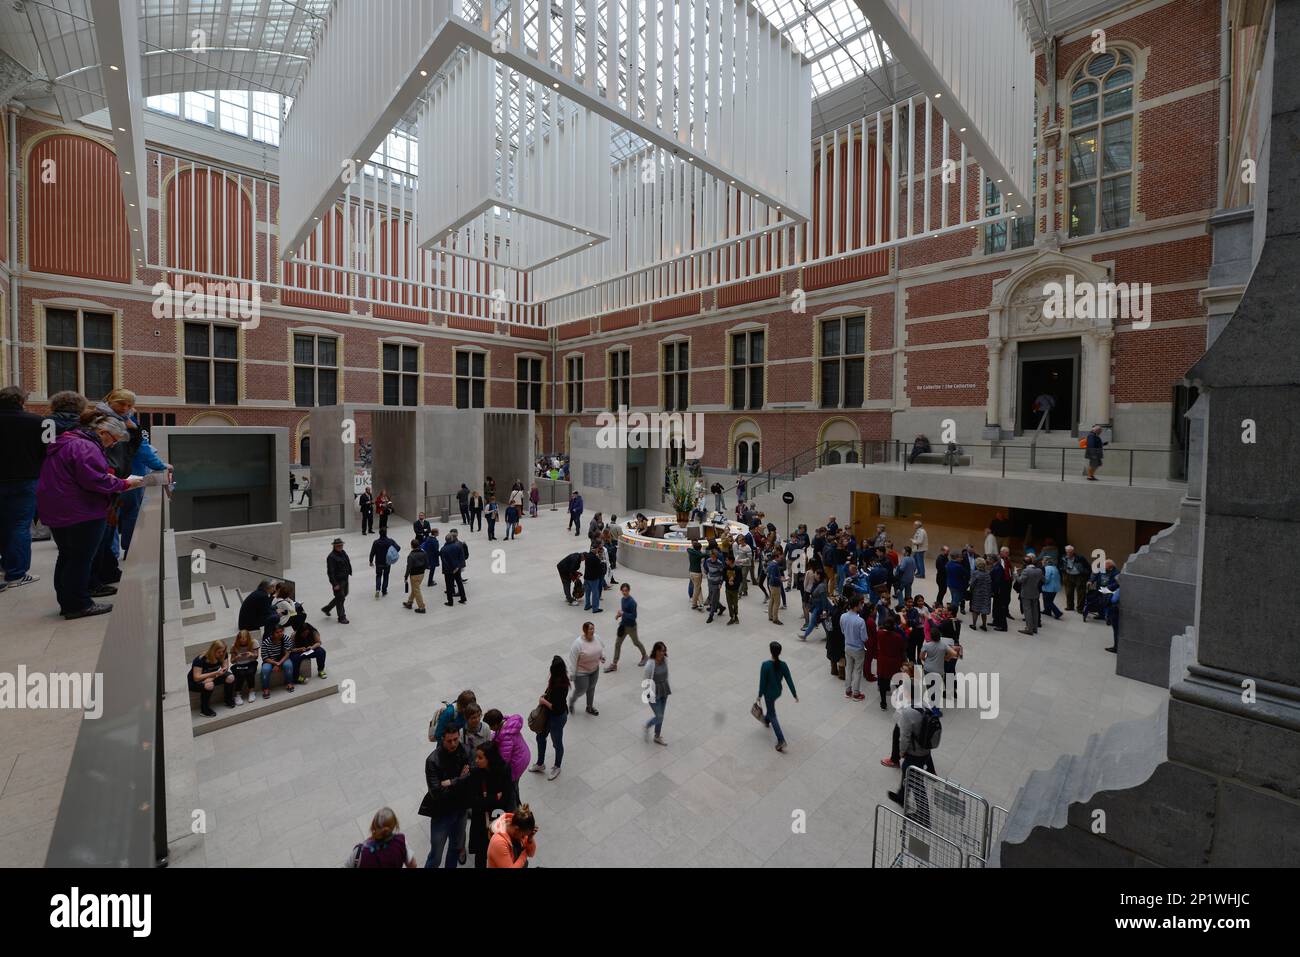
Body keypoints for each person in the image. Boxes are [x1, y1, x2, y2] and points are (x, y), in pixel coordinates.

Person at [36, 411, 141, 618]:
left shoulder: (67, 441)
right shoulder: (86, 446)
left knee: (68, 557)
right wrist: (125, 483)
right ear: (103, 432)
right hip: (80, 511)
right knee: (81, 559)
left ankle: (68, 601)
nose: (112, 446)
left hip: (60, 509)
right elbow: (94, 480)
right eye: (113, 440)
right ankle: (78, 604)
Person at [422, 725, 471, 868]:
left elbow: (471, 777)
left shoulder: (466, 751)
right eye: (449, 741)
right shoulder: (432, 760)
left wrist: (452, 782)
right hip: (441, 813)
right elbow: (436, 793)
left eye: (456, 739)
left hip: (460, 810)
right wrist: (461, 780)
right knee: (436, 855)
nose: (453, 744)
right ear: (442, 739)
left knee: (455, 848)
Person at [467, 741, 516, 868]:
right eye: (476, 757)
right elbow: (473, 801)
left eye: (480, 757)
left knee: (498, 851)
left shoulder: (504, 770)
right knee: (481, 853)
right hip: (481, 822)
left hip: (498, 819)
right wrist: (494, 798)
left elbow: (506, 799)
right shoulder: (476, 773)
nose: (476, 761)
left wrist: (485, 801)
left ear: (490, 758)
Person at [529, 656, 569, 780]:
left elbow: (557, 708)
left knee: (557, 743)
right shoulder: (555, 679)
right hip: (548, 715)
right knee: (540, 737)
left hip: (557, 718)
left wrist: (543, 701)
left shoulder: (561, 686)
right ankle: (540, 764)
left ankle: (557, 766)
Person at [758, 641, 798, 753]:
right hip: (777, 692)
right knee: (770, 710)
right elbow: (789, 679)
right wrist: (794, 694)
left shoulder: (765, 665)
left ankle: (781, 740)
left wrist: (759, 695)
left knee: (772, 714)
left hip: (768, 693)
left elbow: (762, 682)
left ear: (770, 651)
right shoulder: (783, 665)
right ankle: (766, 720)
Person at [348, 808, 418, 868]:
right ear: (395, 826)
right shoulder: (401, 842)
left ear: (373, 825)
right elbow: (413, 865)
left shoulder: (359, 852)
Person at [866, 613, 908, 711]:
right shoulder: (898, 637)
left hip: (883, 663)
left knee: (882, 684)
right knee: (898, 682)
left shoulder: (880, 633)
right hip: (895, 662)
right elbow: (902, 649)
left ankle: (883, 703)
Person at [188, 639, 236, 716]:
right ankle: (204, 710)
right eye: (219, 652)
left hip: (213, 676)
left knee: (230, 677)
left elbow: (225, 668)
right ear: (213, 650)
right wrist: (215, 673)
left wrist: (213, 677)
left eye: (223, 651)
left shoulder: (223, 654)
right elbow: (196, 677)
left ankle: (228, 700)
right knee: (209, 685)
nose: (221, 654)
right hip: (194, 682)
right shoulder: (200, 659)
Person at [607, 582, 647, 672]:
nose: (624, 592)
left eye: (626, 590)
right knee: (617, 644)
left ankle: (645, 656)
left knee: (636, 642)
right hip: (623, 625)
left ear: (629, 590)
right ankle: (614, 664)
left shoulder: (632, 602)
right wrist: (619, 615)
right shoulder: (622, 599)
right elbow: (624, 611)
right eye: (623, 590)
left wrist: (623, 613)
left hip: (631, 627)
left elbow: (633, 616)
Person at [568, 622, 605, 715]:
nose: (592, 630)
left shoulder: (597, 638)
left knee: (591, 688)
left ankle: (589, 707)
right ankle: (572, 701)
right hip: (582, 672)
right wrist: (572, 673)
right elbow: (573, 658)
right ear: (585, 630)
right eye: (590, 629)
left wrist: (602, 656)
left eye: (593, 628)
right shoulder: (578, 643)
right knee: (581, 689)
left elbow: (601, 648)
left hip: (594, 669)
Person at [642, 641, 671, 745]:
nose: (663, 653)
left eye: (664, 650)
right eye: (661, 651)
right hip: (653, 693)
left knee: (661, 715)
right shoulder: (650, 664)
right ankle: (647, 726)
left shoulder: (665, 660)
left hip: (664, 690)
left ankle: (657, 736)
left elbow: (666, 674)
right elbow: (645, 680)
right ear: (656, 651)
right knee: (659, 716)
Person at [259, 623, 295, 698]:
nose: (279, 634)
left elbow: (287, 653)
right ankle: (266, 688)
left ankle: (289, 683)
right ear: (272, 633)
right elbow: (265, 657)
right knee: (265, 669)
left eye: (281, 631)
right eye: (277, 632)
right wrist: (275, 663)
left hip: (282, 659)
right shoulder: (266, 642)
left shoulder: (285, 638)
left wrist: (279, 663)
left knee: (288, 665)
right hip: (270, 661)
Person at [321, 537, 352, 623]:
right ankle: (342, 617)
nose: (340, 547)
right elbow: (330, 572)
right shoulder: (331, 557)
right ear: (334, 546)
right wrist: (335, 584)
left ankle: (327, 608)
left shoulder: (343, 552)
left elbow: (347, 563)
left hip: (345, 579)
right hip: (338, 581)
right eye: (338, 545)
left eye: (341, 545)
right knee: (341, 598)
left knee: (344, 594)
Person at [289, 618, 326, 683]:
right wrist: (299, 649)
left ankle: (320, 670)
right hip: (299, 652)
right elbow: (290, 649)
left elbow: (318, 643)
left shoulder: (314, 632)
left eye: (306, 633)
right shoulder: (294, 635)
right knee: (294, 658)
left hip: (310, 650)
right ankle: (296, 677)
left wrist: (312, 647)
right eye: (303, 633)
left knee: (321, 652)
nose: (305, 635)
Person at [228, 629, 260, 704]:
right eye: (241, 638)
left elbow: (256, 657)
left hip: (251, 663)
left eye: (244, 638)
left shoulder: (254, 642)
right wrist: (237, 657)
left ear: (248, 638)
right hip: (239, 665)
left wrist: (251, 654)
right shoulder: (234, 646)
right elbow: (232, 661)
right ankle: (238, 694)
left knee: (250, 672)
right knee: (240, 674)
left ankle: (251, 692)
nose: (242, 640)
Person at [1016, 558, 1044, 636]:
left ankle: (1029, 629)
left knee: (1027, 611)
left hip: (1026, 594)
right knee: (1035, 611)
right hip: (1035, 593)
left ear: (1025, 564)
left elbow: (1020, 580)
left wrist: (1016, 574)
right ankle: (1035, 628)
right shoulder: (1039, 570)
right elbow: (1044, 580)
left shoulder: (1026, 571)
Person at [990, 548, 1015, 631]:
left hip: (1005, 585)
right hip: (1001, 585)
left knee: (1002, 605)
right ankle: (996, 621)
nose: (1007, 554)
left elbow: (1009, 570)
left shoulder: (1006, 561)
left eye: (1008, 552)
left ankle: (1002, 625)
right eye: (1006, 552)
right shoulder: (999, 562)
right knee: (997, 605)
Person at [368, 529, 398, 598]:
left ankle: (378, 589)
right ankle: (384, 590)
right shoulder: (390, 541)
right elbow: (398, 548)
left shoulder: (376, 542)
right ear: (386, 533)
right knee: (386, 575)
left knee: (378, 575)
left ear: (379, 533)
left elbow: (372, 552)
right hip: (387, 562)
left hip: (378, 562)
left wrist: (371, 561)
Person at [441, 529, 467, 605]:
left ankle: (450, 602)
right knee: (459, 583)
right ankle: (463, 598)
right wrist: (457, 567)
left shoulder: (443, 549)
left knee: (449, 586)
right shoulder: (457, 546)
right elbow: (461, 558)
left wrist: (451, 568)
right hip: (457, 569)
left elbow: (444, 561)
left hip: (448, 570)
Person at [403, 538, 429, 612]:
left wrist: (406, 576)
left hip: (414, 575)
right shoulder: (424, 553)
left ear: (411, 546)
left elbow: (409, 567)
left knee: (417, 590)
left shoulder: (411, 555)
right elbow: (427, 564)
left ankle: (422, 607)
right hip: (422, 574)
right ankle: (409, 602)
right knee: (415, 588)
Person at [1060, 545, 1088, 613]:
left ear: (1073, 551)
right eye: (1067, 552)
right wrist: (1063, 571)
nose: (1069, 553)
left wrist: (1085, 574)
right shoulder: (1063, 557)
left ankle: (1080, 608)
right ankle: (1070, 606)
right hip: (1068, 576)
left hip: (1079, 576)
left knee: (1081, 593)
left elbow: (1087, 566)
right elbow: (1060, 565)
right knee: (1069, 592)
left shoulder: (1080, 557)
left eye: (1070, 552)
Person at [968, 558, 992, 630]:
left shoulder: (975, 573)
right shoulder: (987, 573)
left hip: (977, 594)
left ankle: (974, 625)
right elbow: (990, 583)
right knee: (983, 611)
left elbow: (972, 584)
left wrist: (970, 590)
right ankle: (984, 625)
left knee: (975, 610)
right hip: (986, 594)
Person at [582, 544, 605, 612]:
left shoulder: (587, 556)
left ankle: (587, 605)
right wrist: (600, 561)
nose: (598, 550)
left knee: (587, 592)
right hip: (594, 578)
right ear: (595, 549)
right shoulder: (595, 558)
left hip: (587, 577)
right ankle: (595, 608)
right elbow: (599, 568)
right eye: (597, 549)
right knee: (595, 593)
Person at [945, 550, 970, 615]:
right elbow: (966, 574)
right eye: (960, 557)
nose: (962, 559)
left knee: (954, 599)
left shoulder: (948, 564)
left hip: (950, 584)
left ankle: (950, 613)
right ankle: (952, 615)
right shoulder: (959, 566)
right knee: (955, 602)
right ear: (956, 558)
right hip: (958, 586)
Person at [723, 553, 743, 625]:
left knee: (735, 604)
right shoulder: (725, 568)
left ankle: (736, 615)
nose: (726, 561)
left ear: (731, 561)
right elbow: (724, 577)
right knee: (729, 604)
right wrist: (728, 581)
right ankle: (732, 617)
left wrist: (734, 583)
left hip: (735, 589)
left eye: (727, 560)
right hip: (728, 589)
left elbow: (740, 579)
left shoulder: (738, 569)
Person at [687, 538, 706, 611]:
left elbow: (688, 549)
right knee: (696, 589)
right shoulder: (699, 555)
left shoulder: (691, 551)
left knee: (698, 588)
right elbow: (706, 554)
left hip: (691, 572)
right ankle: (694, 604)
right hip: (697, 573)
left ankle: (701, 603)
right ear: (699, 549)